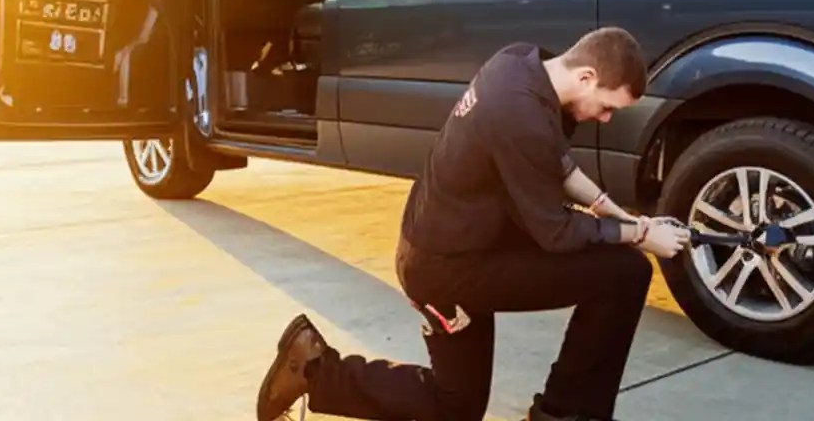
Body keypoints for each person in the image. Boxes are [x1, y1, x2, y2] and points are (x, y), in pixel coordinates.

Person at [256, 28, 692, 421]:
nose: (605, 118)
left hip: (462, 245)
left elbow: (557, 166)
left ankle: (312, 367)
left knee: (622, 272)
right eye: (607, 106)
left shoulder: (520, 62)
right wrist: (641, 236)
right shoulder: (519, 115)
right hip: (447, 272)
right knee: (458, 407)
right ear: (587, 77)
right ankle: (315, 371)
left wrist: (623, 218)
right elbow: (556, 232)